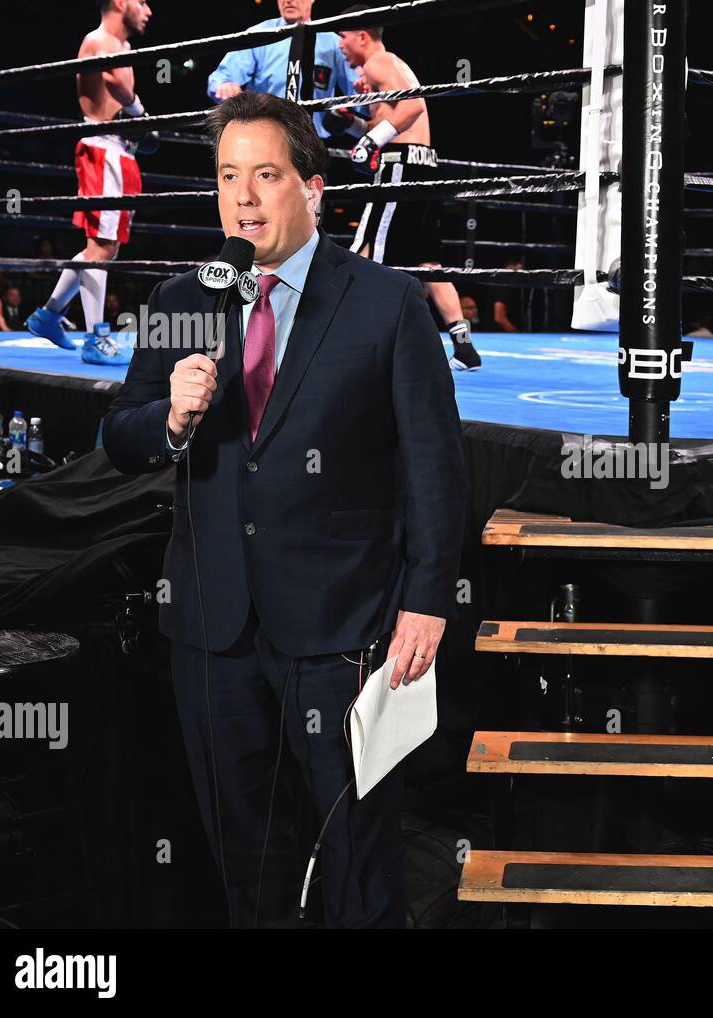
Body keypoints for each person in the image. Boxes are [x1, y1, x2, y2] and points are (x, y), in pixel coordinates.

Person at [100, 92, 468, 928]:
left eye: (266, 175)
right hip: (212, 628)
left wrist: (425, 602)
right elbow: (118, 438)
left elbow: (435, 472)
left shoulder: (387, 304)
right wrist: (168, 417)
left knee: (358, 859)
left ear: (313, 187)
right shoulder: (183, 300)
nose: (244, 198)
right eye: (229, 177)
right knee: (245, 860)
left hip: (346, 629)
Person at [335, 6, 480, 371]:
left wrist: (370, 139)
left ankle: (368, 339)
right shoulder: (385, 69)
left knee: (369, 248)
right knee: (426, 260)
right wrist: (355, 121)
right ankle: (464, 347)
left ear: (363, 36)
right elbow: (390, 119)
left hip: (400, 166)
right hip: (422, 163)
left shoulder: (378, 62)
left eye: (344, 36)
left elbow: (413, 107)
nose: (340, 45)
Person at [25, 0, 153, 351]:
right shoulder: (97, 40)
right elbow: (118, 87)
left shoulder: (122, 45)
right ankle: (96, 338)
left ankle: (48, 316)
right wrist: (143, 117)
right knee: (101, 247)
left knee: (103, 249)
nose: (148, 10)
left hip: (121, 151)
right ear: (120, 2)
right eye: (141, 1)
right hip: (102, 149)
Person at [207, 0, 355, 141]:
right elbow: (220, 79)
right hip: (263, 137)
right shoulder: (260, 34)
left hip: (314, 143)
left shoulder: (334, 43)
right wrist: (224, 86)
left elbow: (360, 90)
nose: (288, 1)